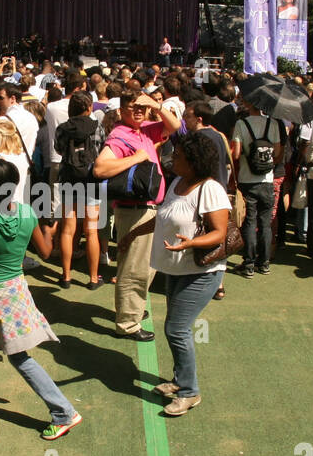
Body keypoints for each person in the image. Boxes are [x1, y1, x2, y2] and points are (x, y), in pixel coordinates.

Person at [0, 161, 82, 445]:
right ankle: (62, 411)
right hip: (17, 293)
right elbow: (46, 252)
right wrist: (49, 227)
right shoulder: (26, 213)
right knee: (20, 356)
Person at [119, 133, 231, 416]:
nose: (172, 158)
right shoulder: (177, 183)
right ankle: (181, 381)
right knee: (176, 328)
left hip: (201, 272)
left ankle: (190, 392)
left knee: (176, 329)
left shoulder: (211, 189)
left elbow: (219, 232)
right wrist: (133, 233)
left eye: (178, 156)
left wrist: (191, 243)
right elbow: (162, 216)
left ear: (193, 163)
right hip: (177, 268)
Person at [94, 87, 181, 341]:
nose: (141, 112)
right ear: (122, 111)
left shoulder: (144, 129)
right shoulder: (120, 134)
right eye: (135, 108)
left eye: (143, 108)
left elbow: (175, 128)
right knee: (134, 268)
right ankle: (128, 324)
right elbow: (100, 169)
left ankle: (132, 311)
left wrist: (157, 107)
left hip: (149, 208)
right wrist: (137, 158)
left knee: (146, 266)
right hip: (135, 210)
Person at [54, 91, 106, 289]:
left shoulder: (62, 128)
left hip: (68, 177)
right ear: (89, 107)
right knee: (91, 231)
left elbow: (58, 149)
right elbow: (101, 150)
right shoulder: (97, 127)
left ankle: (66, 276)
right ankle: (93, 278)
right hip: (91, 179)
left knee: (68, 230)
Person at [230, 94, 282, 276]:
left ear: (247, 103)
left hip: (247, 179)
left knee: (249, 222)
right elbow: (277, 152)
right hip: (267, 179)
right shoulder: (273, 124)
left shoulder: (241, 124)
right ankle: (264, 262)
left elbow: (235, 154)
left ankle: (249, 262)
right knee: (265, 223)